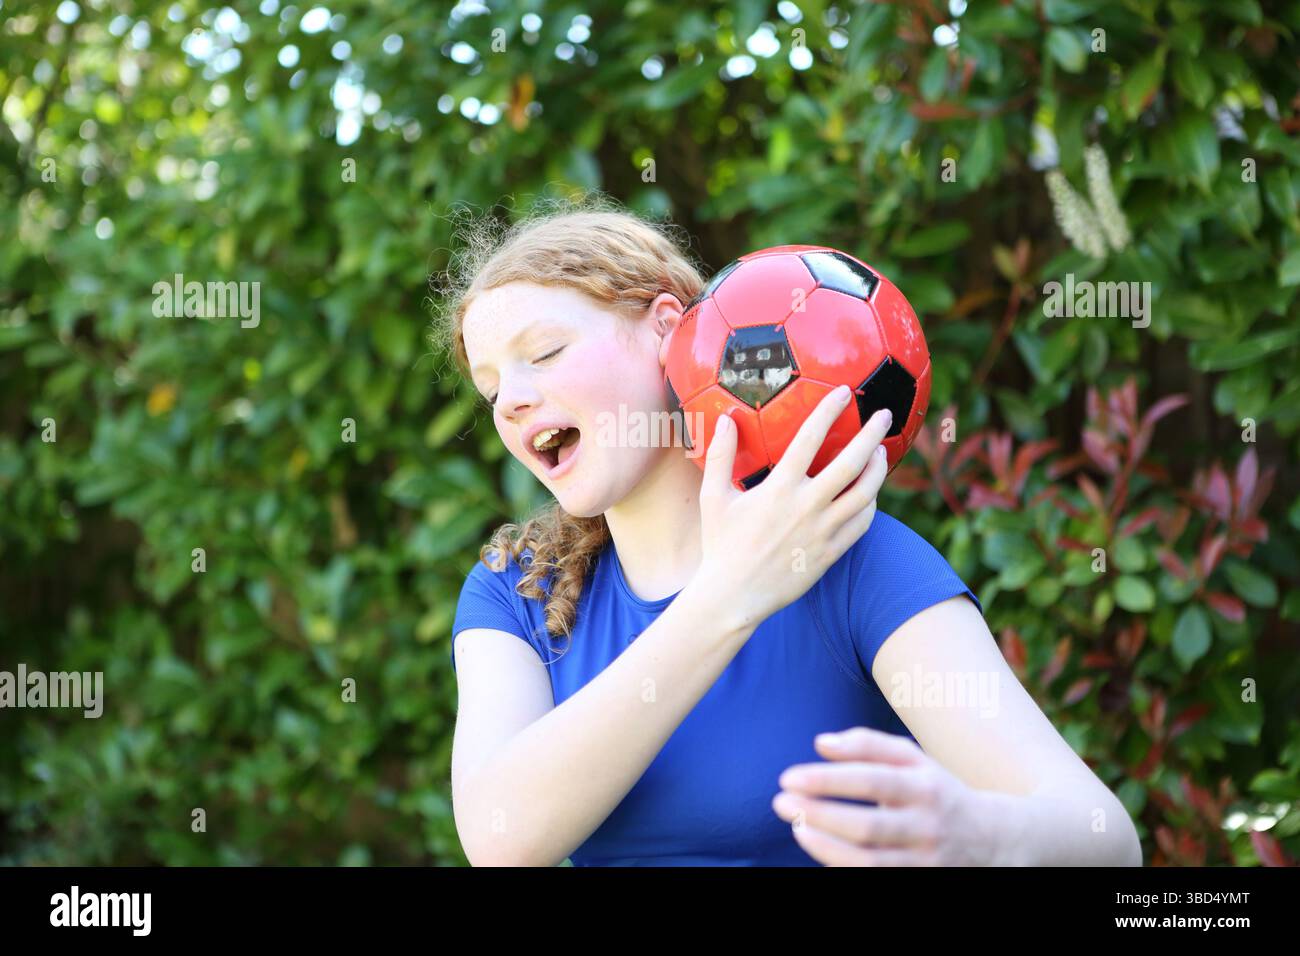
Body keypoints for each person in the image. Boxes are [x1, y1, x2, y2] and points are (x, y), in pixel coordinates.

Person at [431, 197, 1142, 867]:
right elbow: (501, 839)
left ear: (669, 328)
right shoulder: (514, 588)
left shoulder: (853, 559)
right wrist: (729, 596)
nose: (513, 401)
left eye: (546, 352)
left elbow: (1104, 839)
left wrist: (977, 833)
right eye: (492, 389)